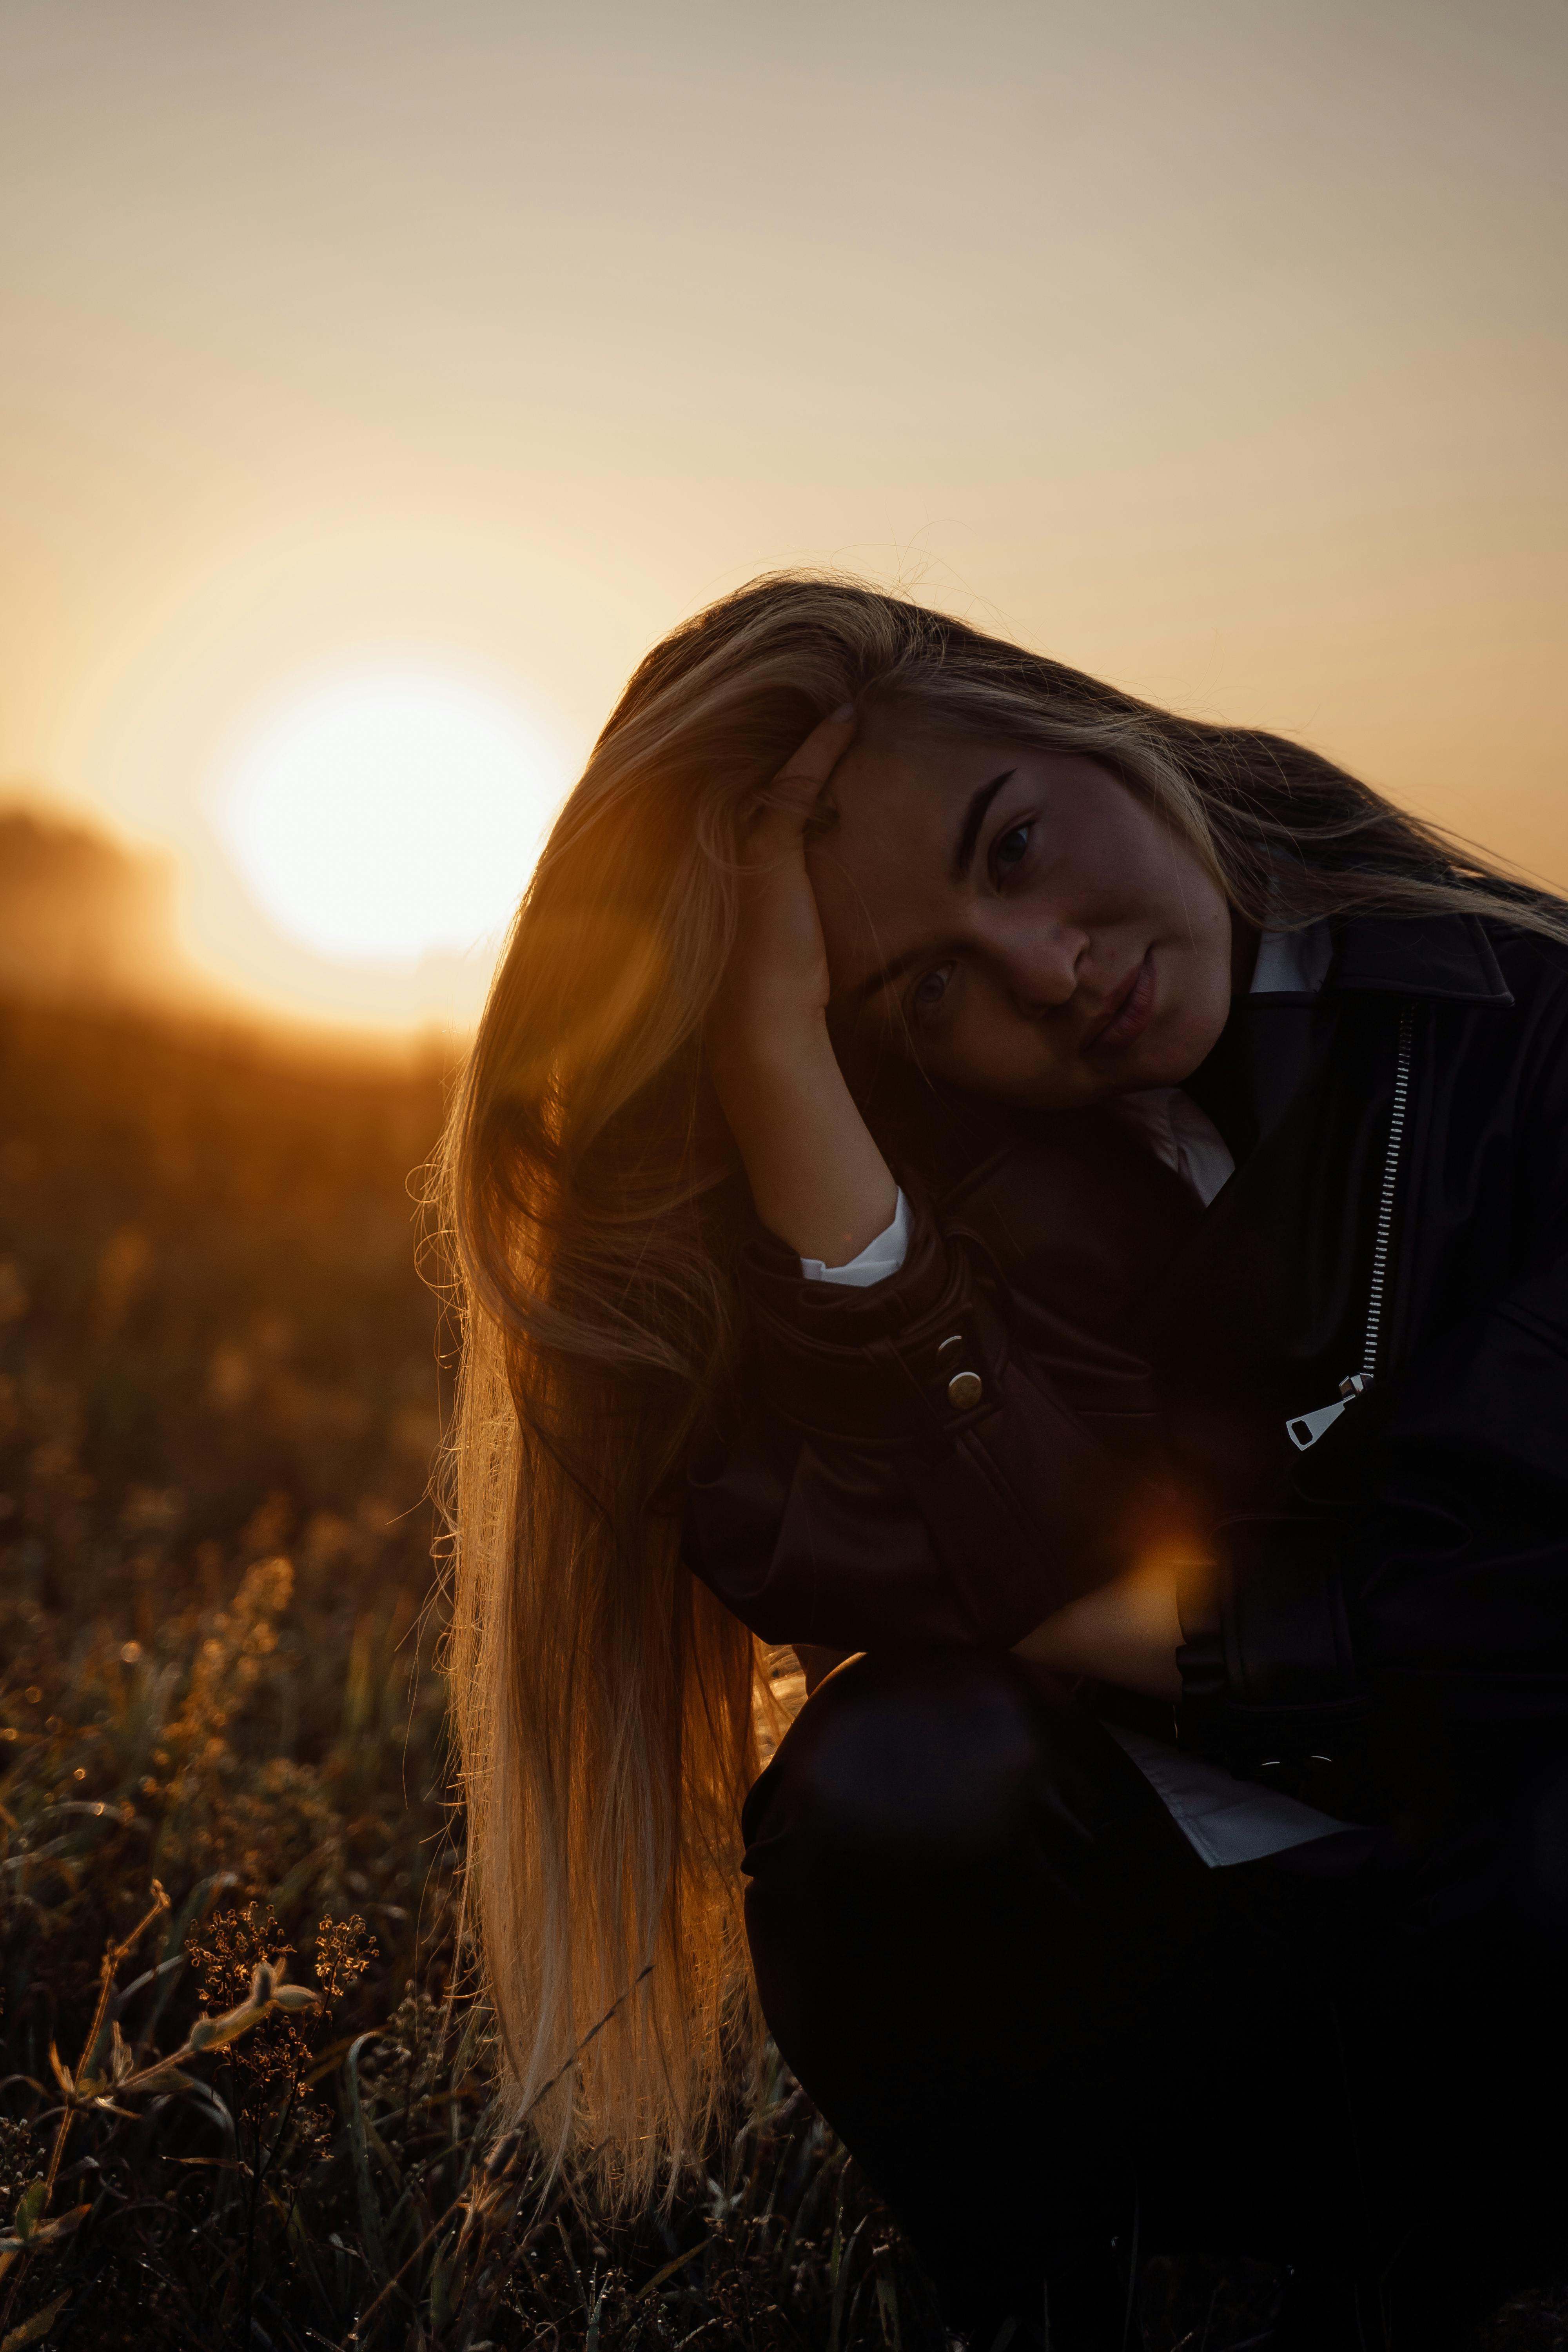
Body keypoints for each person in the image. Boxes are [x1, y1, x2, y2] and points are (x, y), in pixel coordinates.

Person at [440, 575, 1568, 2349]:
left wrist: (1186, 1644)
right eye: (921, 989)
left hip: (1536, 1992)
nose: (1050, 971)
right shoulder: (960, 1187)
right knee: (893, 1779)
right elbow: (922, 1590)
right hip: (1245, 2044)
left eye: (1016, 843)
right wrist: (786, 1095)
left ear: (1079, 717)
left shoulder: (1531, 1041)